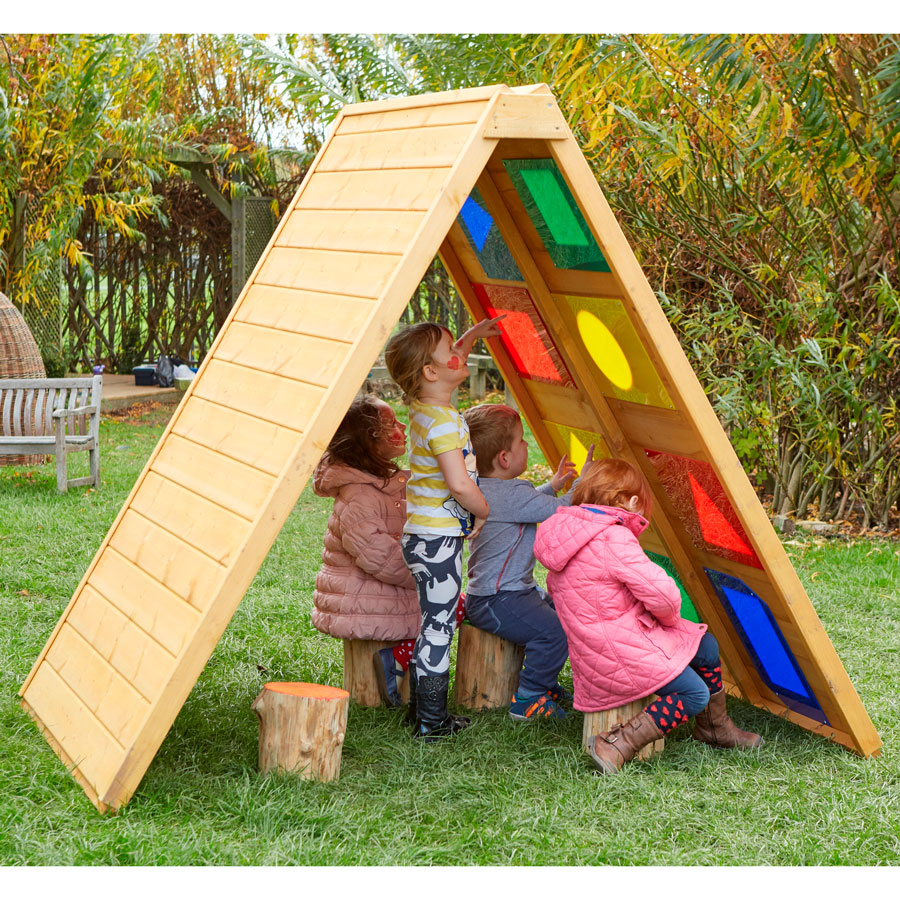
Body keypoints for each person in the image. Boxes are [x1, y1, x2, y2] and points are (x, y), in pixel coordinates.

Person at [533, 457, 763, 774]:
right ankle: (617, 743)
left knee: (705, 645)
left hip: (599, 648)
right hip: (621, 653)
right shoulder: (613, 537)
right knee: (693, 694)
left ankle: (715, 728)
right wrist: (669, 621)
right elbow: (664, 596)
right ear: (629, 502)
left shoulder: (569, 532)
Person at [384, 316, 504, 741]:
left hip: (423, 537)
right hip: (438, 541)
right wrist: (483, 510)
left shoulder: (423, 409)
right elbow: (458, 482)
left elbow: (447, 361)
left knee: (432, 623)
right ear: (431, 372)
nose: (462, 355)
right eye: (453, 350)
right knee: (438, 628)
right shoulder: (444, 423)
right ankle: (431, 723)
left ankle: (420, 710)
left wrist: (470, 337)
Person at [463, 403, 591, 721]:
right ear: (504, 458)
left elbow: (529, 502)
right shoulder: (511, 495)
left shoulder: (489, 488)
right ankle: (530, 697)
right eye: (522, 441)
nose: (527, 445)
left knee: (562, 612)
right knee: (555, 631)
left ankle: (543, 683)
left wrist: (555, 483)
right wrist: (581, 483)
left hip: (505, 594)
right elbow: (559, 509)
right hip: (499, 599)